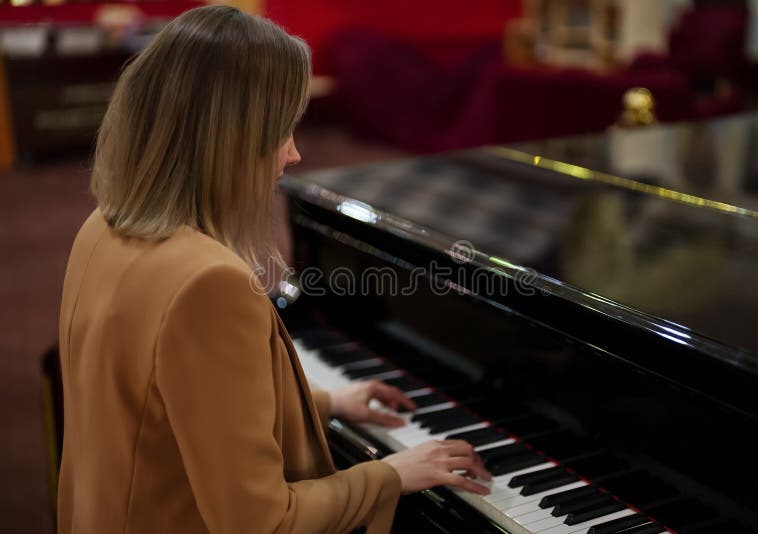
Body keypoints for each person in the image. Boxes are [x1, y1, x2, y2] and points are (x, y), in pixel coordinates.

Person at [57, 6, 490, 534]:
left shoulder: (101, 227)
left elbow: (168, 403)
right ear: (228, 140)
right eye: (282, 130)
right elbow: (264, 523)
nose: (294, 153)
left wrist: (327, 403)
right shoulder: (209, 282)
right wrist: (391, 474)